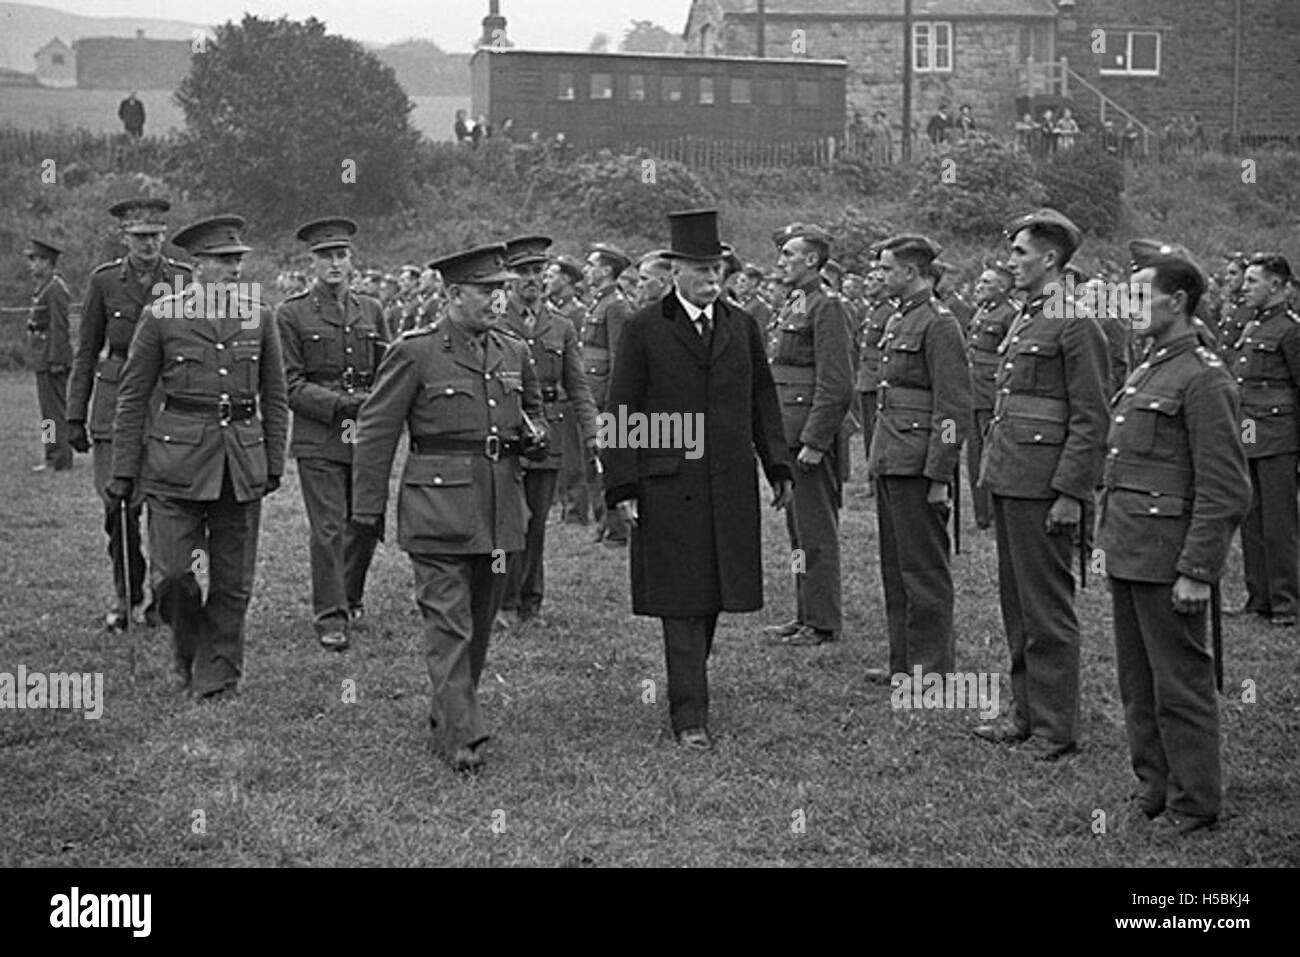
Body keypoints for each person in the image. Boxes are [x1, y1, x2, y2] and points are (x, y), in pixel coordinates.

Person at [351, 244, 548, 773]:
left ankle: (450, 714)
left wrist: (535, 433)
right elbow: (375, 434)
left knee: (480, 622)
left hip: (500, 504)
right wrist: (366, 513)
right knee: (448, 623)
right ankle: (464, 737)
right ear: (454, 294)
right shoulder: (415, 352)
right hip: (437, 505)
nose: (497, 300)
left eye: (500, 290)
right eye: (487, 291)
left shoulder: (512, 350)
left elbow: (533, 411)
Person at [603, 210, 792, 749]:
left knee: (711, 594)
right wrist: (623, 486)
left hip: (727, 483)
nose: (714, 281)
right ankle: (689, 716)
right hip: (667, 483)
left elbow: (763, 400)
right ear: (676, 271)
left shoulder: (742, 326)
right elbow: (623, 408)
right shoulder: (644, 329)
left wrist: (776, 465)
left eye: (720, 271)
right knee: (681, 598)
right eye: (704, 271)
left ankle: (691, 683)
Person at [1099, 239, 1250, 836]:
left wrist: (1197, 569)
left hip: (1169, 558)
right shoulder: (1151, 366)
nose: (1130, 305)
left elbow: (1225, 488)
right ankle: (1154, 784)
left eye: (1142, 295)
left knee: (1180, 684)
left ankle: (1194, 800)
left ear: (1179, 301)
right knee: (1138, 681)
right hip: (1132, 548)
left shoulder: (1203, 378)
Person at [109, 215, 289, 699]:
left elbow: (275, 395)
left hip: (240, 464)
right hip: (175, 467)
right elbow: (132, 397)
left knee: (233, 581)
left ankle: (219, 673)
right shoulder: (162, 317)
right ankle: (186, 648)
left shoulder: (259, 315)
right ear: (196, 266)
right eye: (224, 261)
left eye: (238, 260)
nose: (234, 269)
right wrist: (124, 469)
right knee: (173, 575)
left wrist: (273, 461)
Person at [974, 208, 1109, 760]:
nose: (1011, 262)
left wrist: (1071, 493)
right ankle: (1026, 713)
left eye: (1020, 254)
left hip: (1045, 487)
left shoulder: (1076, 322)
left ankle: (1055, 728)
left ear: (1050, 259)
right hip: (1012, 477)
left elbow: (1091, 416)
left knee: (1047, 609)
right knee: (1017, 605)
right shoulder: (1029, 317)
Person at [68, 197, 192, 631]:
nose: (149, 244)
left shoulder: (182, 280)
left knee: (165, 506)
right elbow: (86, 353)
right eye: (140, 237)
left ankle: (161, 598)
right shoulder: (104, 283)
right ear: (124, 238)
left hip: (166, 405)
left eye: (156, 235)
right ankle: (126, 593)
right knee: (116, 508)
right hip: (114, 404)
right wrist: (73, 415)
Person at [275, 217, 388, 651]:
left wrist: (378, 406)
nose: (335, 264)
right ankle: (331, 615)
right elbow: (290, 384)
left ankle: (350, 594)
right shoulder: (292, 313)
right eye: (326, 257)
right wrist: (341, 404)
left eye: (341, 255)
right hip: (320, 434)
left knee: (364, 521)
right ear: (312, 263)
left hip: (363, 433)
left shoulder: (371, 310)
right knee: (328, 526)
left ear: (351, 261)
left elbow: (389, 369)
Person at [863, 235, 971, 684]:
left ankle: (931, 672)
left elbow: (953, 407)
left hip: (918, 463)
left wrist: (940, 474)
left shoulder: (939, 323)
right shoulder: (899, 319)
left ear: (910, 272)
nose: (880, 277)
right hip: (893, 456)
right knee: (896, 568)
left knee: (924, 570)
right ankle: (903, 662)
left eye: (887, 269)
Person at [498, 236, 598, 627]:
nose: (531, 279)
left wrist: (593, 433)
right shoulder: (494, 319)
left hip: (547, 434)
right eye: (522, 272)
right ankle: (503, 603)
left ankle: (530, 602)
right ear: (508, 278)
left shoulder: (561, 325)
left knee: (537, 524)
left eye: (537, 271)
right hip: (506, 432)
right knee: (509, 522)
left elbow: (578, 384)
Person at [764, 224, 854, 646]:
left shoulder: (827, 306)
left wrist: (817, 441)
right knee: (799, 532)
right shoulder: (795, 303)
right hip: (789, 434)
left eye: (789, 255)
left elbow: (835, 383)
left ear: (813, 261)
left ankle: (822, 621)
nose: (781, 262)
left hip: (808, 440)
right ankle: (804, 614)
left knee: (816, 532)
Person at [1231, 253, 1300, 626]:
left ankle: (1286, 603)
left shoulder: (1290, 330)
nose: (1245, 287)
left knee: (1279, 522)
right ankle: (1258, 598)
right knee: (1251, 518)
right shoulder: (1252, 326)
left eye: (1253, 281)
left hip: (1280, 435)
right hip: (1251, 430)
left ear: (1275, 285)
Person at [581, 242, 634, 547]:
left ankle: (617, 530)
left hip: (605, 402)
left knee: (607, 465)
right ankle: (603, 523)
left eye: (591, 264)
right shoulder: (599, 303)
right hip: (593, 398)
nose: (586, 269)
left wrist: (614, 405)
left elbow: (619, 360)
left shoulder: (615, 306)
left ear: (605, 270)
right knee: (593, 465)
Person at [964, 261, 1017, 531]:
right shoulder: (981, 312)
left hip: (991, 393)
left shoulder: (1010, 314)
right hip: (973, 392)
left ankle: (993, 513)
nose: (979, 287)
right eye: (980, 281)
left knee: (991, 455)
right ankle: (981, 515)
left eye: (986, 283)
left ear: (1003, 288)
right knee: (974, 456)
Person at [546, 255, 594, 525]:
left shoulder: (575, 313)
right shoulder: (556, 310)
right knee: (561, 456)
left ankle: (576, 512)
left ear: (566, 280)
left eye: (552, 275)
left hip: (570, 393)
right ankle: (566, 507)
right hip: (558, 395)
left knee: (574, 459)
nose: (546, 280)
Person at [22, 238, 73, 475]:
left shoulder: (55, 289)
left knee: (54, 413)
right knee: (47, 414)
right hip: (43, 357)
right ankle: (52, 453)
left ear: (48, 262)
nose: (31, 265)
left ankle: (59, 458)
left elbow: (60, 327)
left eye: (35, 259)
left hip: (53, 360)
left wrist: (57, 360)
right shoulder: (45, 286)